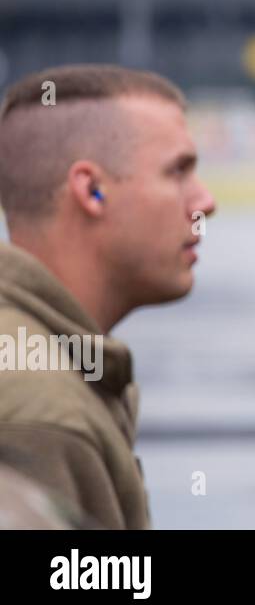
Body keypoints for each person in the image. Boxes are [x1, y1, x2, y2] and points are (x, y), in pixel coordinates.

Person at [0, 64, 217, 528]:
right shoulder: (45, 414)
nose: (205, 202)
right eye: (178, 172)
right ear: (91, 191)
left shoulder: (45, 366)